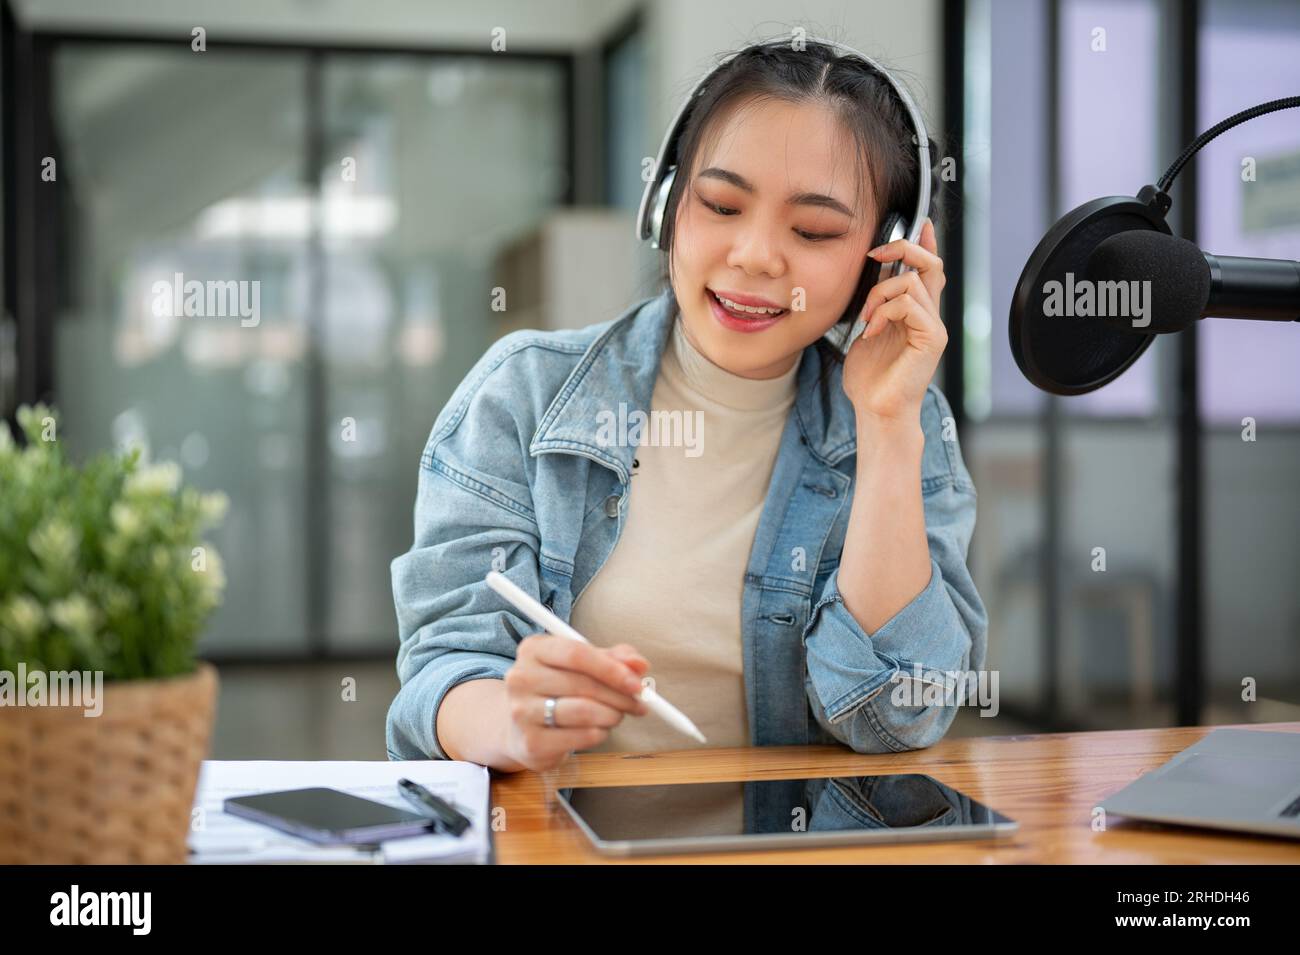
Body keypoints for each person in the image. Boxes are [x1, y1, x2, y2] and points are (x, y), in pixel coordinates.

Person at [386, 37, 988, 831]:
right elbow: (442, 668)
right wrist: (513, 720)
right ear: (667, 205)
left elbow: (897, 717)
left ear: (885, 260)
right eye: (722, 205)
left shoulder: (908, 423)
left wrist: (884, 429)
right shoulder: (523, 394)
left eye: (813, 231)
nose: (754, 256)